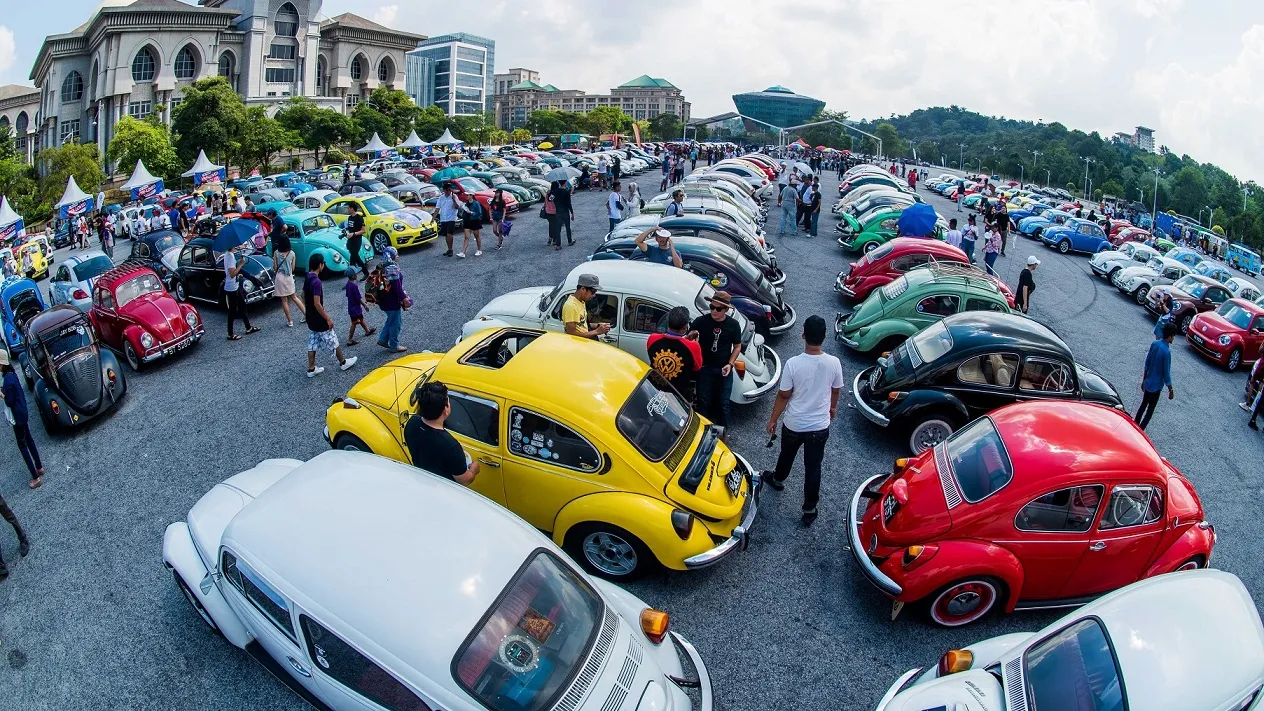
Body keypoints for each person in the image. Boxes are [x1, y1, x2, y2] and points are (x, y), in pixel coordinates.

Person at [761, 315, 843, 526]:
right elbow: (835, 390)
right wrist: (832, 408)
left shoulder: (793, 364)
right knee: (813, 466)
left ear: (803, 335)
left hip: (794, 423)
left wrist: (773, 419)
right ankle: (809, 508)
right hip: (819, 425)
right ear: (824, 337)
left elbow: (784, 395)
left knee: (787, 455)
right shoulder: (834, 363)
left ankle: (778, 479)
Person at [404, 381, 479, 485]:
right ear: (446, 410)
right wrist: (474, 469)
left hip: (422, 481)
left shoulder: (411, 423)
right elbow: (464, 480)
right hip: (443, 490)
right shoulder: (451, 446)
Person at [689, 290, 742, 431]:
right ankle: (701, 431)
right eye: (712, 307)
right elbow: (688, 337)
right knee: (703, 402)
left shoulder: (733, 325)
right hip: (705, 368)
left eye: (718, 309)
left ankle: (723, 435)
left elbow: (737, 346)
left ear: (726, 310)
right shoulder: (701, 321)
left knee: (724, 403)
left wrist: (730, 364)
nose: (714, 311)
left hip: (724, 368)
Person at [303, 253, 357, 377]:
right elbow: (317, 303)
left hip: (310, 317)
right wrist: (327, 318)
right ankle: (343, 362)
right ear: (320, 265)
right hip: (318, 317)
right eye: (323, 264)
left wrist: (308, 310)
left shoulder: (307, 277)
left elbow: (302, 295)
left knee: (312, 342)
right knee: (332, 339)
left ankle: (311, 369)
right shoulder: (316, 282)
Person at [1, 350, 43, 489]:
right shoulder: (13, 375)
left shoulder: (7, 380)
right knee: (29, 440)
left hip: (17, 416)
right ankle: (39, 466)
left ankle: (35, 477)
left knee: (22, 445)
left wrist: (2, 394)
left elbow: (9, 401)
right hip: (23, 411)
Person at [646, 306, 702, 401]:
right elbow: (697, 367)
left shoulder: (652, 338)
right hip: (679, 397)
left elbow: (671, 343)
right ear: (685, 326)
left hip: (655, 390)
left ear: (668, 323)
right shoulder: (693, 346)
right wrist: (692, 343)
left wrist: (685, 340)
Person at [1135, 323, 1176, 430]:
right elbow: (1166, 374)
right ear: (1170, 336)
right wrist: (1170, 389)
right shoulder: (1166, 352)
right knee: (1149, 412)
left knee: (1143, 405)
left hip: (1148, 382)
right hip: (1156, 386)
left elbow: (1147, 364)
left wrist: (1144, 380)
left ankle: (1134, 426)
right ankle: (1140, 430)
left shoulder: (1155, 344)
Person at [271, 221, 305, 327]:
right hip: (289, 276)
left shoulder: (276, 253)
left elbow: (275, 267)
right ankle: (306, 314)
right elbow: (293, 268)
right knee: (294, 297)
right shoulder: (292, 254)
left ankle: (290, 321)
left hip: (280, 277)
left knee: (284, 300)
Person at [375, 246, 409, 353]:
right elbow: (397, 287)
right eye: (396, 254)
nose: (398, 256)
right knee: (396, 322)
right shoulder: (392, 268)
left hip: (383, 300)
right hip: (391, 301)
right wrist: (404, 298)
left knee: (391, 319)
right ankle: (394, 345)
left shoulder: (382, 265)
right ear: (392, 255)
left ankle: (383, 339)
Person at [222, 246, 259, 341]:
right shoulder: (230, 256)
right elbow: (232, 274)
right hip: (232, 288)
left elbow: (233, 273)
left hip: (235, 285)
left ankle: (248, 327)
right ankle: (230, 334)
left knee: (243, 306)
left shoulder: (229, 255)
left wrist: (238, 274)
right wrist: (241, 265)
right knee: (233, 311)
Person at [562, 273, 612, 340]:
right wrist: (597, 331)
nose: (594, 295)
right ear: (583, 289)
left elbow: (581, 325)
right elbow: (571, 333)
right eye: (593, 292)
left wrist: (598, 325)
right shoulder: (571, 306)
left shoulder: (581, 301)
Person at [344, 265, 375, 345]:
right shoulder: (354, 286)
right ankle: (350, 340)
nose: (357, 275)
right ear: (353, 276)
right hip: (355, 308)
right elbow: (358, 298)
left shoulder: (348, 284)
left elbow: (348, 295)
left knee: (360, 319)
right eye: (356, 274)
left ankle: (367, 331)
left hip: (351, 307)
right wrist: (365, 305)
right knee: (354, 323)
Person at [436, 182, 462, 257]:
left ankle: (451, 250)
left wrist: (453, 200)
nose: (448, 192)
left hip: (451, 218)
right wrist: (433, 218)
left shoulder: (454, 197)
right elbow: (437, 208)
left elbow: (457, 207)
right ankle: (449, 249)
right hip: (443, 218)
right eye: (447, 190)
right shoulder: (441, 198)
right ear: (444, 190)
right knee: (446, 235)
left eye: (449, 190)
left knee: (449, 233)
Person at [344, 202, 366, 276]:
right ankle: (352, 275)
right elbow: (352, 227)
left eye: (348, 208)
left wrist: (353, 234)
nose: (347, 210)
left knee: (354, 256)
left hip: (357, 240)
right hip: (351, 240)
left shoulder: (359, 218)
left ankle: (365, 272)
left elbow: (363, 230)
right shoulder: (350, 217)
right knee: (353, 258)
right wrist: (346, 229)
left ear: (352, 208)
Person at [458, 193, 483, 258]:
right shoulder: (466, 203)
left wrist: (471, 212)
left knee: (477, 235)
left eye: (467, 195)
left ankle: (479, 249)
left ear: (471, 196)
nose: (466, 196)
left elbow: (479, 213)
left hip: (474, 221)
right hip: (467, 221)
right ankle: (463, 252)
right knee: (466, 237)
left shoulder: (476, 203)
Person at [553, 180, 575, 246]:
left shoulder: (555, 191)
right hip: (565, 211)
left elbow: (553, 200)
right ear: (565, 183)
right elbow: (569, 203)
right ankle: (569, 240)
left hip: (558, 211)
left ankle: (558, 244)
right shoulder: (566, 192)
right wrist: (572, 212)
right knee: (567, 227)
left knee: (558, 228)